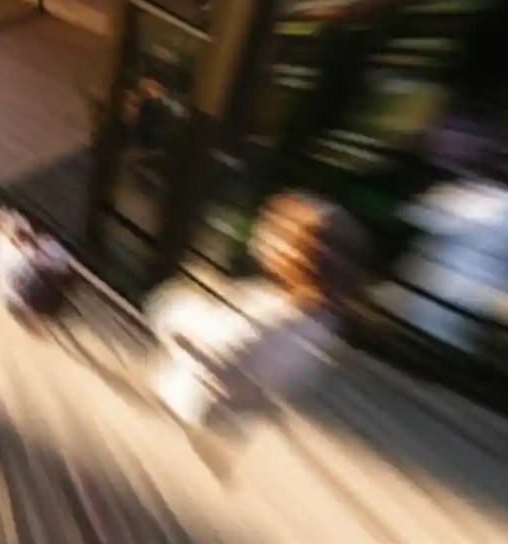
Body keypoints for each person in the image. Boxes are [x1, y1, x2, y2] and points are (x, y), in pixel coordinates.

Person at [147, 192, 368, 470]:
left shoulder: (275, 316)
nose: (261, 238)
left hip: (189, 402)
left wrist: (178, 308)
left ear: (297, 254)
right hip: (232, 415)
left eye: (275, 234)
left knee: (174, 302)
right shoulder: (320, 324)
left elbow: (219, 351)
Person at [0, 209, 74, 331]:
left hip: (35, 293)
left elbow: (9, 299)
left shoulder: (4, 249)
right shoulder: (17, 253)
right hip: (40, 294)